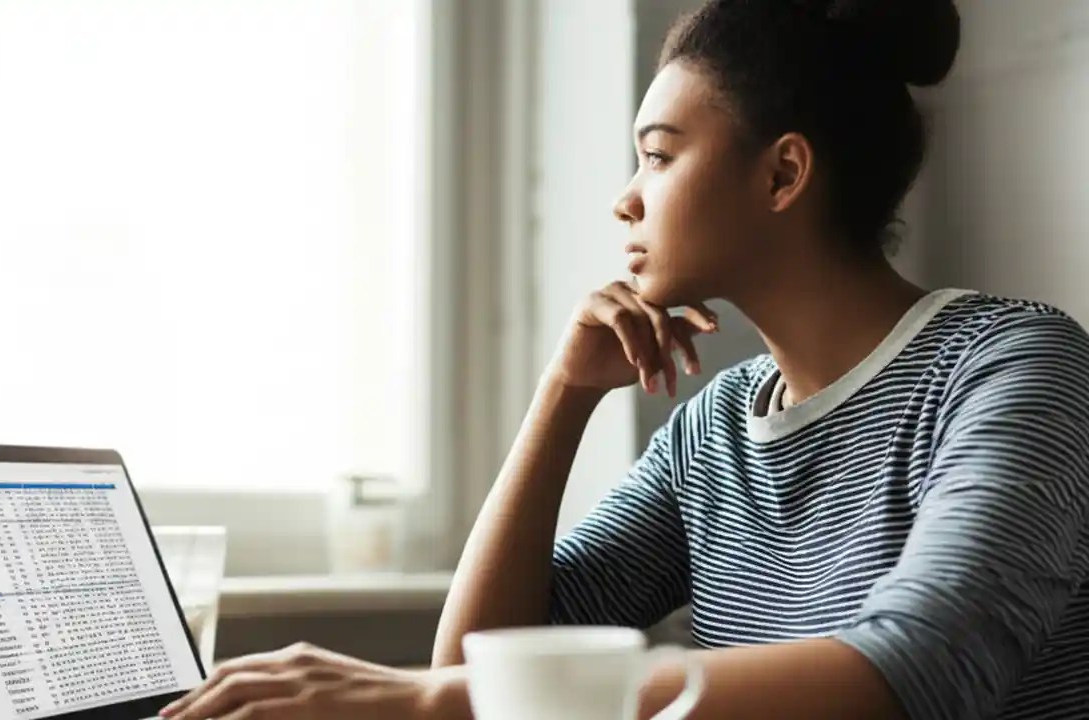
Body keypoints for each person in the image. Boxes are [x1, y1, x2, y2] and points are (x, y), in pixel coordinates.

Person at [159, 0, 1089, 717]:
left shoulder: (1015, 368)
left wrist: (425, 701)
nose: (626, 201)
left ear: (783, 175)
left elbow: (918, 672)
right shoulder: (714, 430)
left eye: (657, 155)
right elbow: (482, 667)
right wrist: (562, 397)